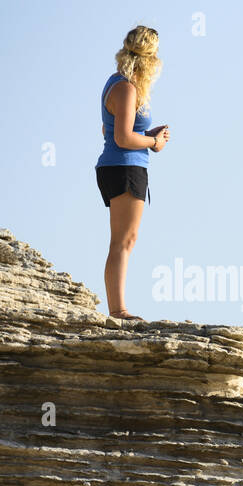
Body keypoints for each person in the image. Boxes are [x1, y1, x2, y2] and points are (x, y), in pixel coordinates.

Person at [95, 25, 169, 321]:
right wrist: (154, 142)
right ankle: (118, 310)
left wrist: (147, 134)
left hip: (121, 165)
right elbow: (122, 138)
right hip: (125, 166)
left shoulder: (116, 83)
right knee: (123, 241)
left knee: (126, 239)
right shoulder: (126, 87)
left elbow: (109, 128)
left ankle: (118, 307)